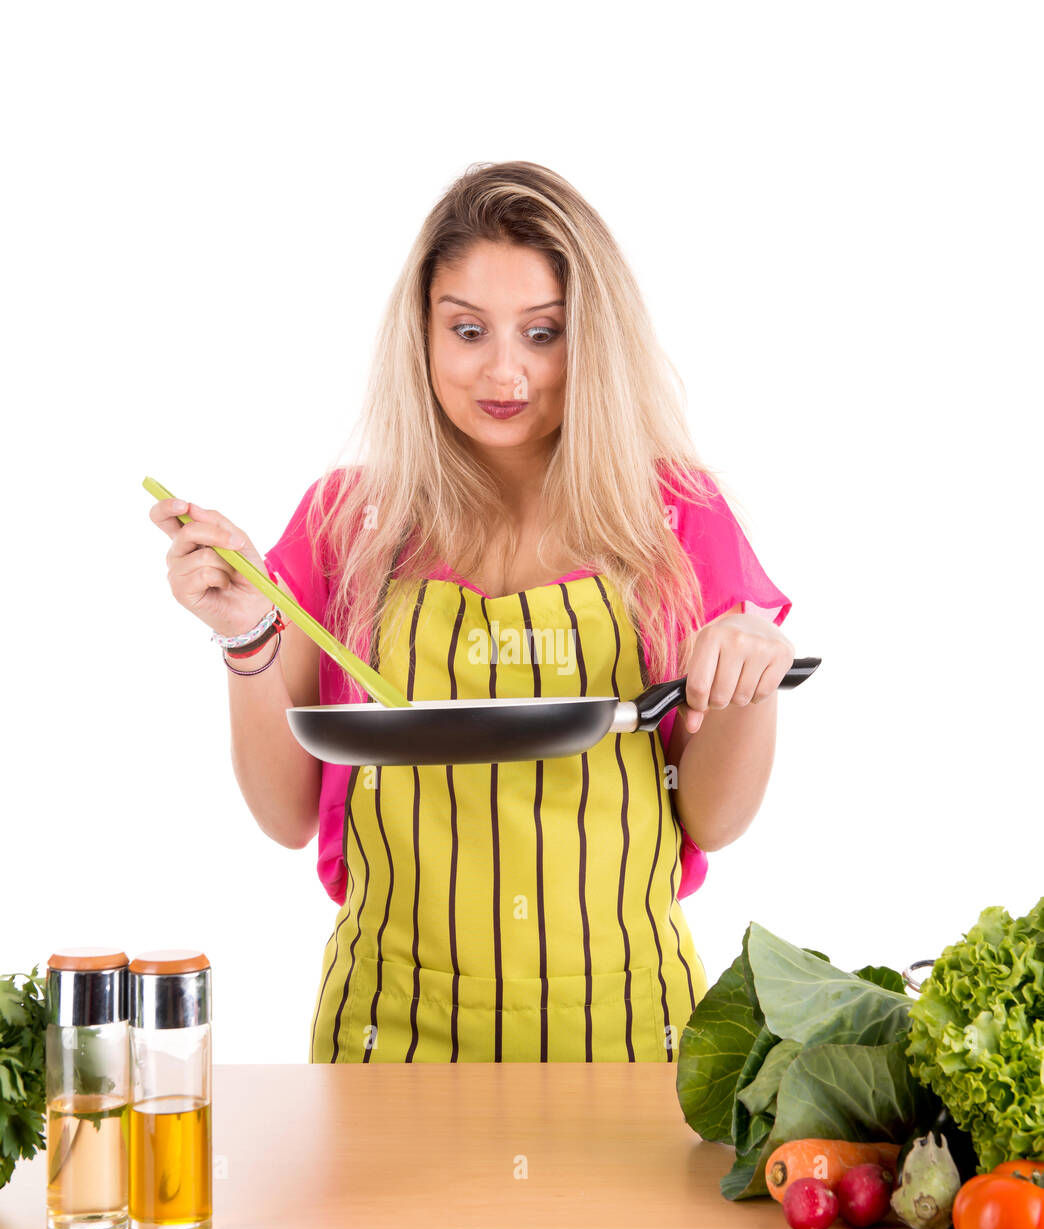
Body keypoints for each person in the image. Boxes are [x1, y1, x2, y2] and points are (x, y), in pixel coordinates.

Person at [149, 160, 795, 1065]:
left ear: (593, 342)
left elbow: (715, 821)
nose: (505, 371)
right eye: (468, 330)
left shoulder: (675, 517)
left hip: (627, 1037)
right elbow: (285, 812)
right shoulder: (347, 523)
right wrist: (245, 634)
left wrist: (748, 675)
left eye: (543, 334)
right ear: (421, 335)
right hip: (390, 1042)